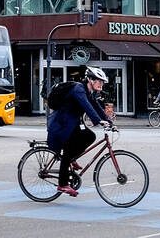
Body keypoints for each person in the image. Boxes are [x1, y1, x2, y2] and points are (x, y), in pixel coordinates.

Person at [46, 66, 112, 197]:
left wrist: (109, 121)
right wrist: (98, 121)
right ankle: (62, 184)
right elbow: (87, 106)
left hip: (73, 123)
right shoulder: (79, 90)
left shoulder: (89, 92)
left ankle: (72, 158)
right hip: (62, 123)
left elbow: (96, 106)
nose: (102, 84)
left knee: (89, 136)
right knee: (68, 152)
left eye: (103, 81)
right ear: (91, 80)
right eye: (99, 81)